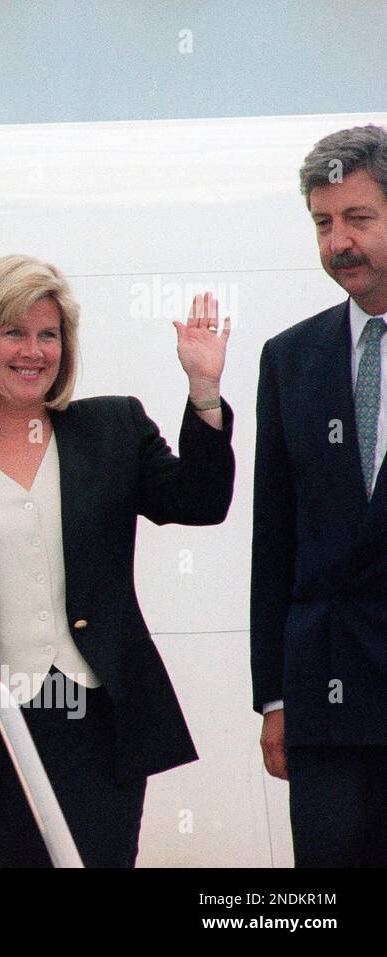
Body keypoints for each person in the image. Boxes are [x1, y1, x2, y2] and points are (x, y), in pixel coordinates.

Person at [0, 255, 234, 866]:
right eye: (14, 332)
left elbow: (200, 502)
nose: (33, 351)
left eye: (48, 334)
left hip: (96, 725)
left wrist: (204, 392)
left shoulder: (112, 428)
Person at [251, 124, 387, 867]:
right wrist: (273, 698)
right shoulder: (289, 359)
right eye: (323, 224)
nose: (339, 242)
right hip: (327, 707)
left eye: (358, 219)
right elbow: (272, 542)